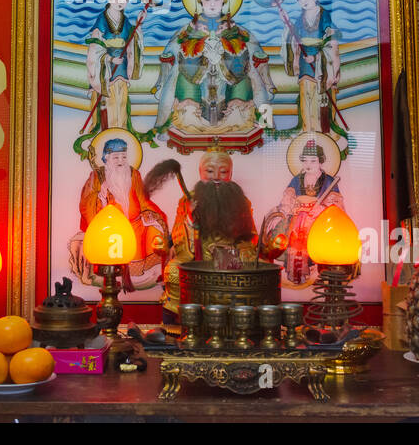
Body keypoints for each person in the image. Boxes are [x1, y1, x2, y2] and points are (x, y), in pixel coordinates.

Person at [154, 0, 273, 136]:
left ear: (224, 1)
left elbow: (255, 50)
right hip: (194, 78)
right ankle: (166, 124)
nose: (212, 4)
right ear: (200, 0)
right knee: (178, 78)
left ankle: (265, 125)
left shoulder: (237, 30)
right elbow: (170, 52)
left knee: (250, 76)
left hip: (232, 77)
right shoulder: (187, 30)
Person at [146, 149, 258, 318]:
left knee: (248, 272)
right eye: (210, 171)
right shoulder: (187, 200)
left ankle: (235, 320)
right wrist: (191, 218)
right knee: (175, 271)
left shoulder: (241, 201)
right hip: (195, 255)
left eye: (223, 172)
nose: (216, 177)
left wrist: (238, 248)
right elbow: (177, 235)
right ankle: (181, 322)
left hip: (230, 253)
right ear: (200, 172)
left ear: (230, 173)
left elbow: (249, 236)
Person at [71, 135, 169, 292]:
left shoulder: (133, 174)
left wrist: (148, 212)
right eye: (116, 157)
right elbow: (85, 203)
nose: (120, 161)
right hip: (111, 226)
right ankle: (118, 276)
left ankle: (153, 273)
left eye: (123, 156)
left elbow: (143, 198)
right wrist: (100, 196)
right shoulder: (97, 176)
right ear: (106, 158)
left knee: (155, 230)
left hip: (136, 222)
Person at [260, 137, 344, 287]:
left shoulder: (329, 181)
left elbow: (335, 203)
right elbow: (287, 200)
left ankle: (319, 273)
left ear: (320, 161)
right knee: (288, 237)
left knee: (320, 244)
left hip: (319, 219)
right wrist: (287, 209)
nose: (308, 164)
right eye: (305, 161)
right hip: (297, 217)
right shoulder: (297, 179)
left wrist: (321, 209)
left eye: (313, 161)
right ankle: (296, 275)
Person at [281, 0, 341, 134]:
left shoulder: (325, 15)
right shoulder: (300, 17)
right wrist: (286, 22)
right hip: (304, 62)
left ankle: (323, 133)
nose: (303, 1)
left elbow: (332, 42)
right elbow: (293, 37)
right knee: (306, 97)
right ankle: (308, 132)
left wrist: (316, 56)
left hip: (321, 62)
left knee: (320, 99)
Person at [85, 0, 142, 131]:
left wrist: (139, 23)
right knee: (109, 101)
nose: (121, 2)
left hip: (121, 67)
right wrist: (109, 58)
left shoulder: (126, 20)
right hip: (106, 69)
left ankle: (121, 129)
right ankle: (109, 131)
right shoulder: (102, 20)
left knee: (121, 101)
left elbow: (133, 39)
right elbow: (95, 48)